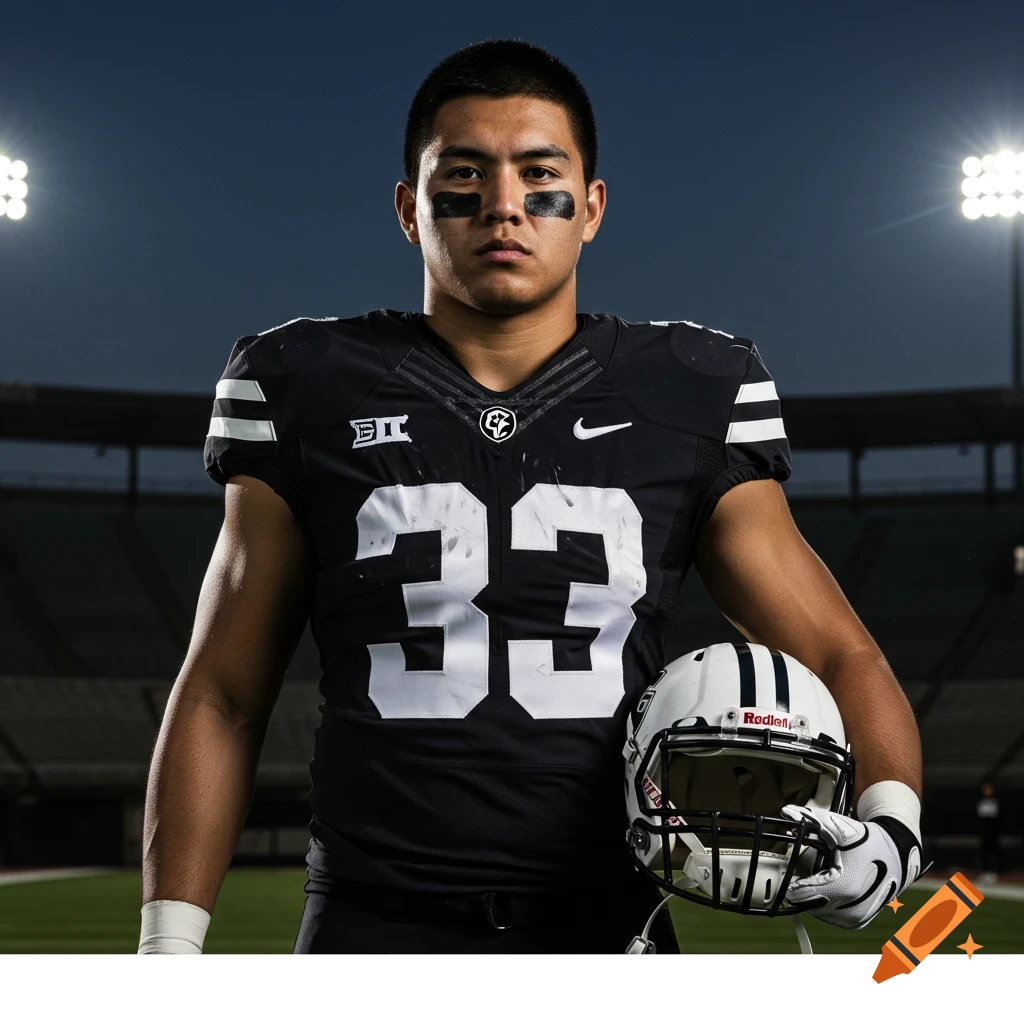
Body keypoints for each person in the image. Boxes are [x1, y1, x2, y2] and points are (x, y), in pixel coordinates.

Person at [139, 40, 923, 955]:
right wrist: (168, 949)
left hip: (610, 925)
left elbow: (837, 650)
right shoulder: (304, 382)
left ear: (590, 208)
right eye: (463, 174)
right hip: (372, 924)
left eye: (538, 174)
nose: (504, 205)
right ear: (409, 208)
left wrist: (894, 830)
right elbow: (225, 691)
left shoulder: (692, 387)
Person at [976, 780, 1000, 884]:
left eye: (989, 789)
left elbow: (998, 818)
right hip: (983, 833)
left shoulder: (996, 802)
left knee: (993, 852)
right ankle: (984, 872)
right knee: (983, 852)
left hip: (993, 833)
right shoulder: (980, 802)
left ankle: (993, 872)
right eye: (985, 789)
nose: (987, 791)